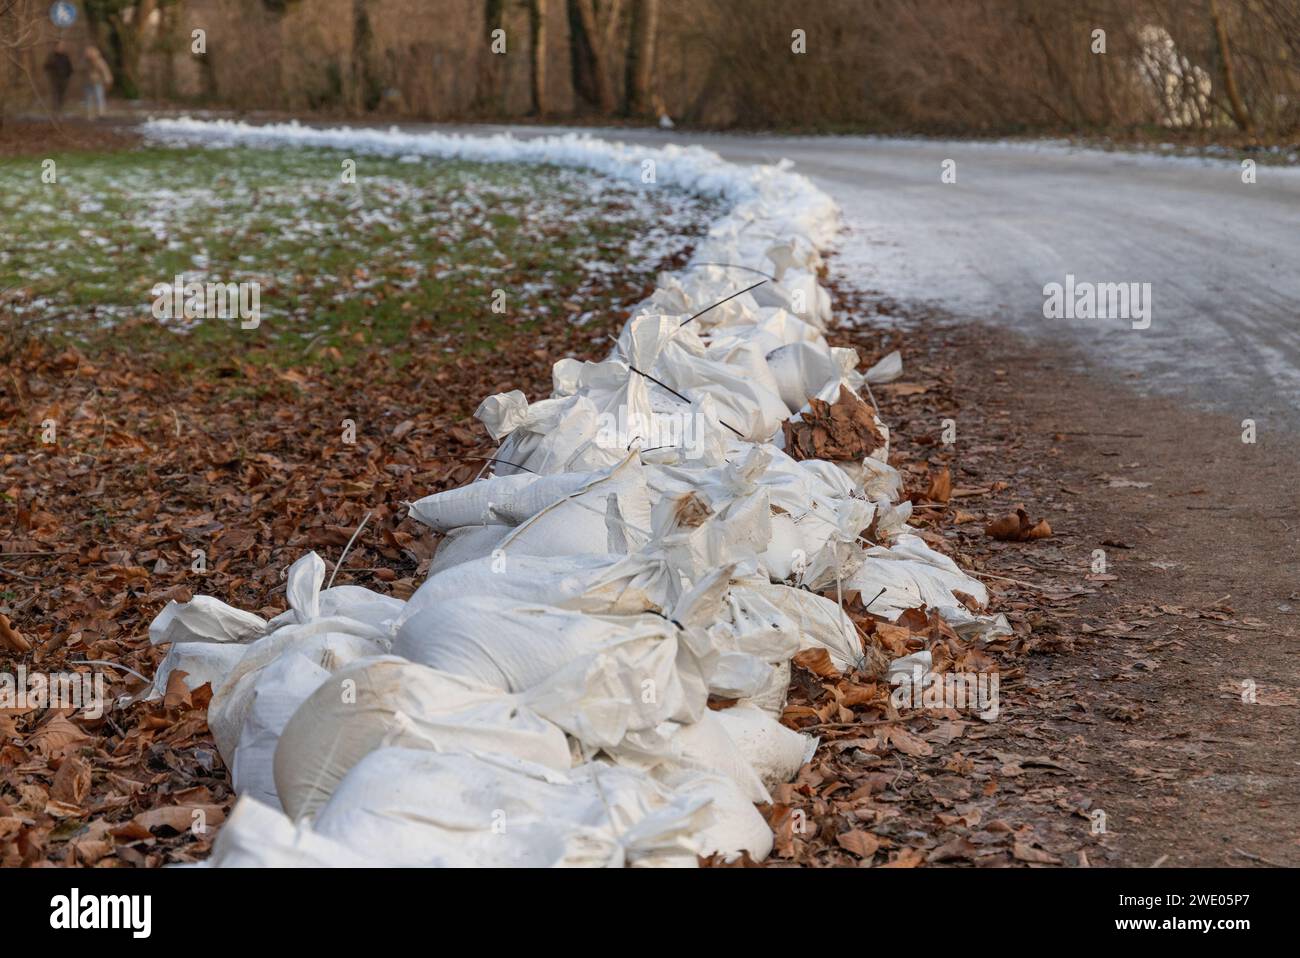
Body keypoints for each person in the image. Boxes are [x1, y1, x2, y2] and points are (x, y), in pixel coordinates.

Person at [43, 41, 73, 114]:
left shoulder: (65, 56)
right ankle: (55, 109)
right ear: (55, 47)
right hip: (54, 78)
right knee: (55, 93)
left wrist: (69, 74)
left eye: (61, 46)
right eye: (59, 46)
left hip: (64, 78)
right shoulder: (52, 56)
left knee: (62, 93)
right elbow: (46, 66)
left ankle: (61, 108)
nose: (60, 48)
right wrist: (50, 72)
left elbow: (69, 66)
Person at [83, 45, 113, 118]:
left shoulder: (99, 61)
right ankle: (90, 113)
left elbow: (105, 70)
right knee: (89, 98)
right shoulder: (86, 62)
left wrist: (108, 79)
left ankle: (101, 113)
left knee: (99, 97)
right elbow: (83, 71)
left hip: (97, 82)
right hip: (88, 82)